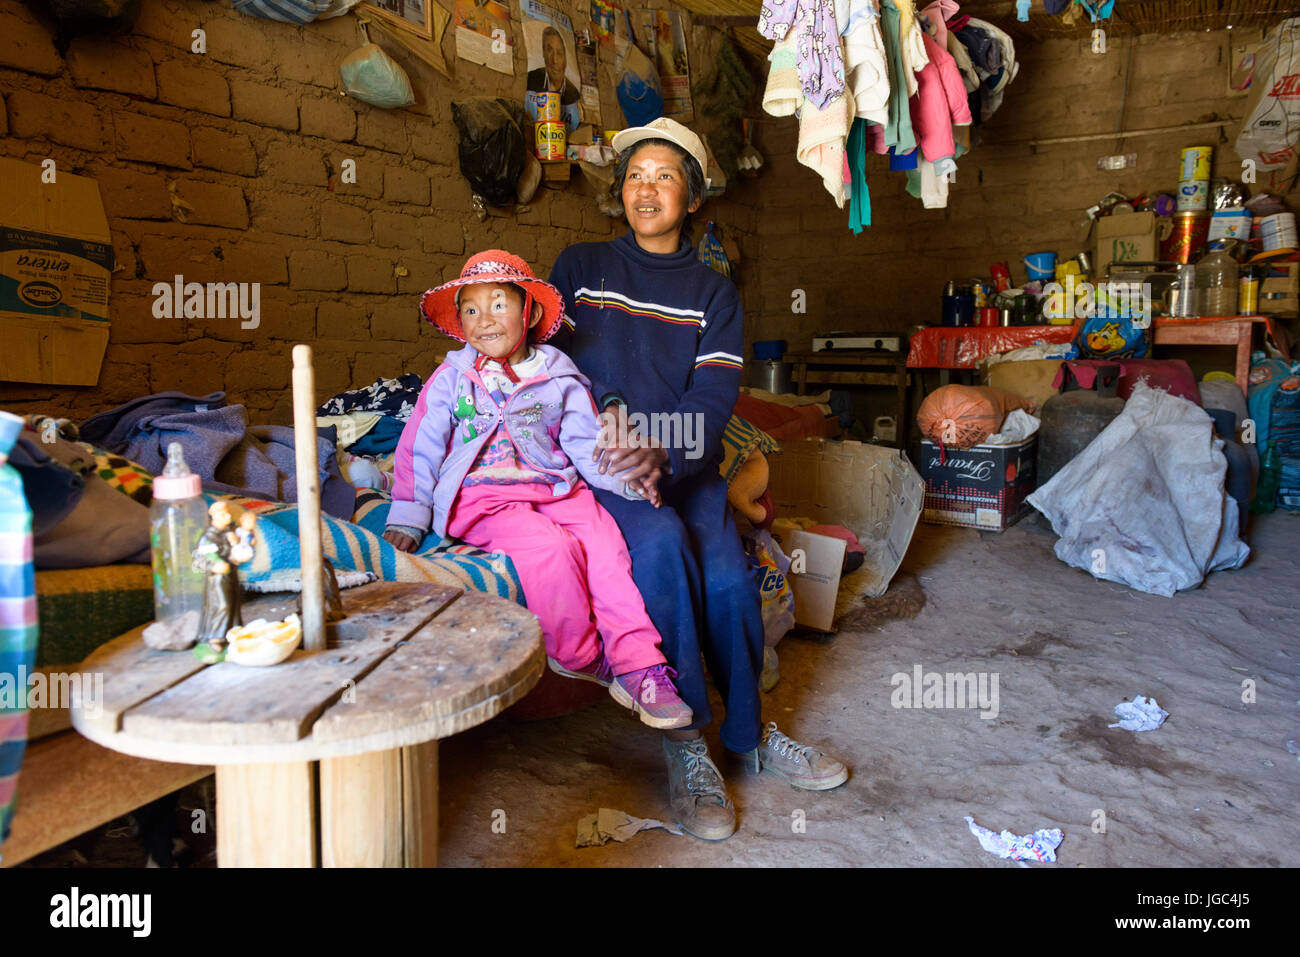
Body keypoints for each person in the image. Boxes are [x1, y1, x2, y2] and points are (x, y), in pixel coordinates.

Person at [548, 117, 849, 841]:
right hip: (603, 469)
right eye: (634, 176)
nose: (645, 188)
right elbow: (549, 371)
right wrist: (609, 446)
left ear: (692, 195)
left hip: (685, 466)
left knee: (724, 573)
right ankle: (687, 746)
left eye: (664, 175)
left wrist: (664, 454)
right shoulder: (580, 268)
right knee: (658, 551)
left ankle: (748, 739)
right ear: (618, 192)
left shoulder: (714, 293)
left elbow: (713, 401)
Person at [382, 250, 691, 729]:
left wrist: (630, 481)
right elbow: (418, 448)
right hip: (484, 498)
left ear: (528, 312)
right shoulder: (451, 380)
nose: (484, 320)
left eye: (499, 304)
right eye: (470, 309)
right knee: (550, 547)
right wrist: (408, 513)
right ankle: (585, 657)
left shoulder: (559, 376)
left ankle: (641, 668)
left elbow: (587, 446)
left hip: (557, 489)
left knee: (606, 546)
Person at [525, 25, 581, 132]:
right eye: (549, 51)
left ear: (565, 58)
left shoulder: (573, 94)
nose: (554, 60)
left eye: (559, 53)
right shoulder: (531, 80)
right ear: (543, 52)